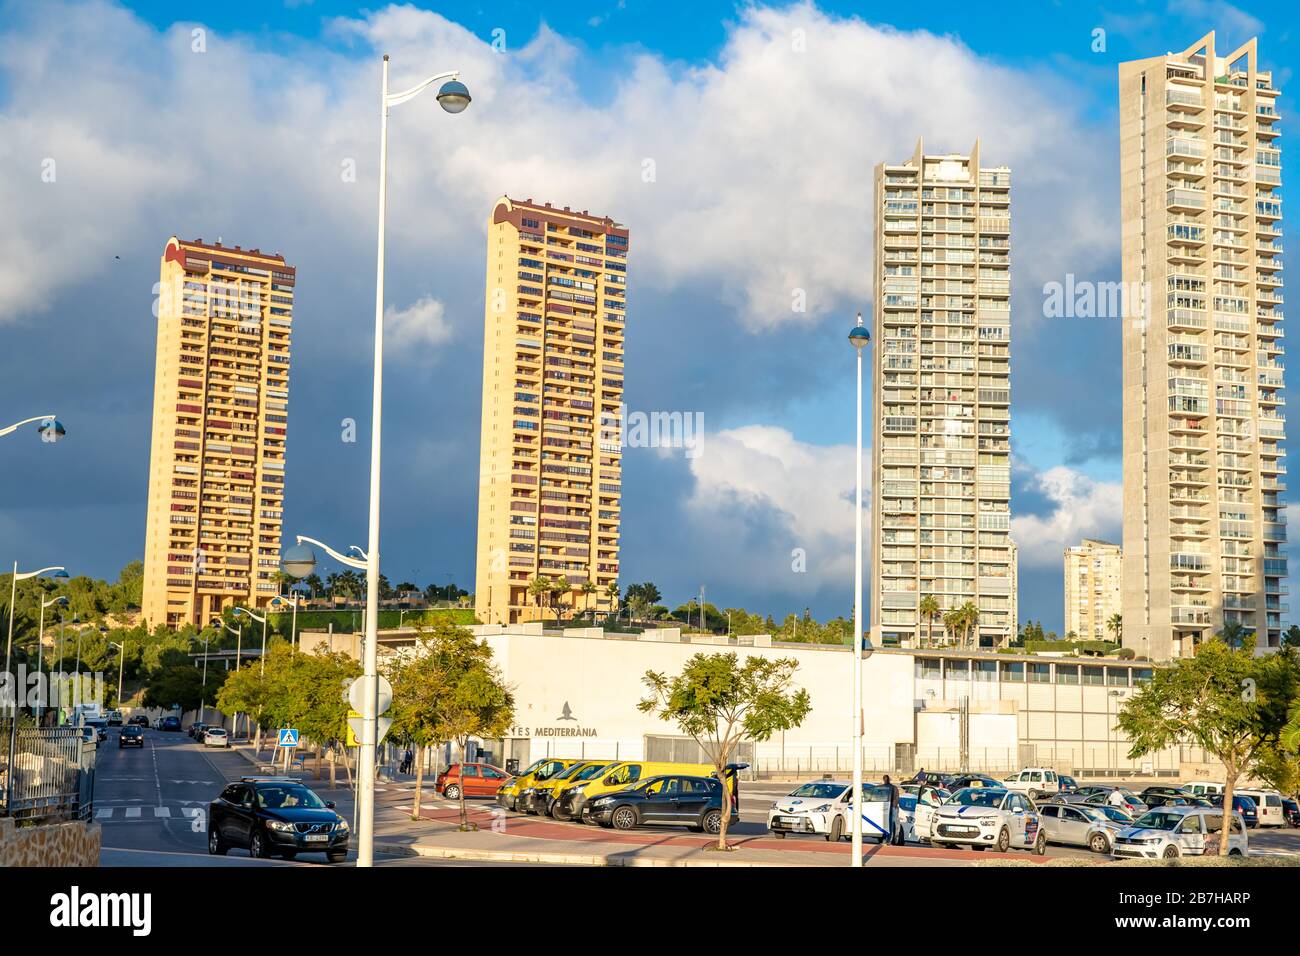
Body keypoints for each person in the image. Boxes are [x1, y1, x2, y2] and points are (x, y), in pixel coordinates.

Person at [882, 774, 902, 845]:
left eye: (885, 779)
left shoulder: (889, 788)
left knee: (891, 823)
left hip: (892, 807)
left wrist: (894, 805)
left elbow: (896, 798)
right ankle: (890, 838)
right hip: (891, 807)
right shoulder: (891, 787)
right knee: (890, 823)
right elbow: (897, 798)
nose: (885, 781)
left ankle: (891, 839)